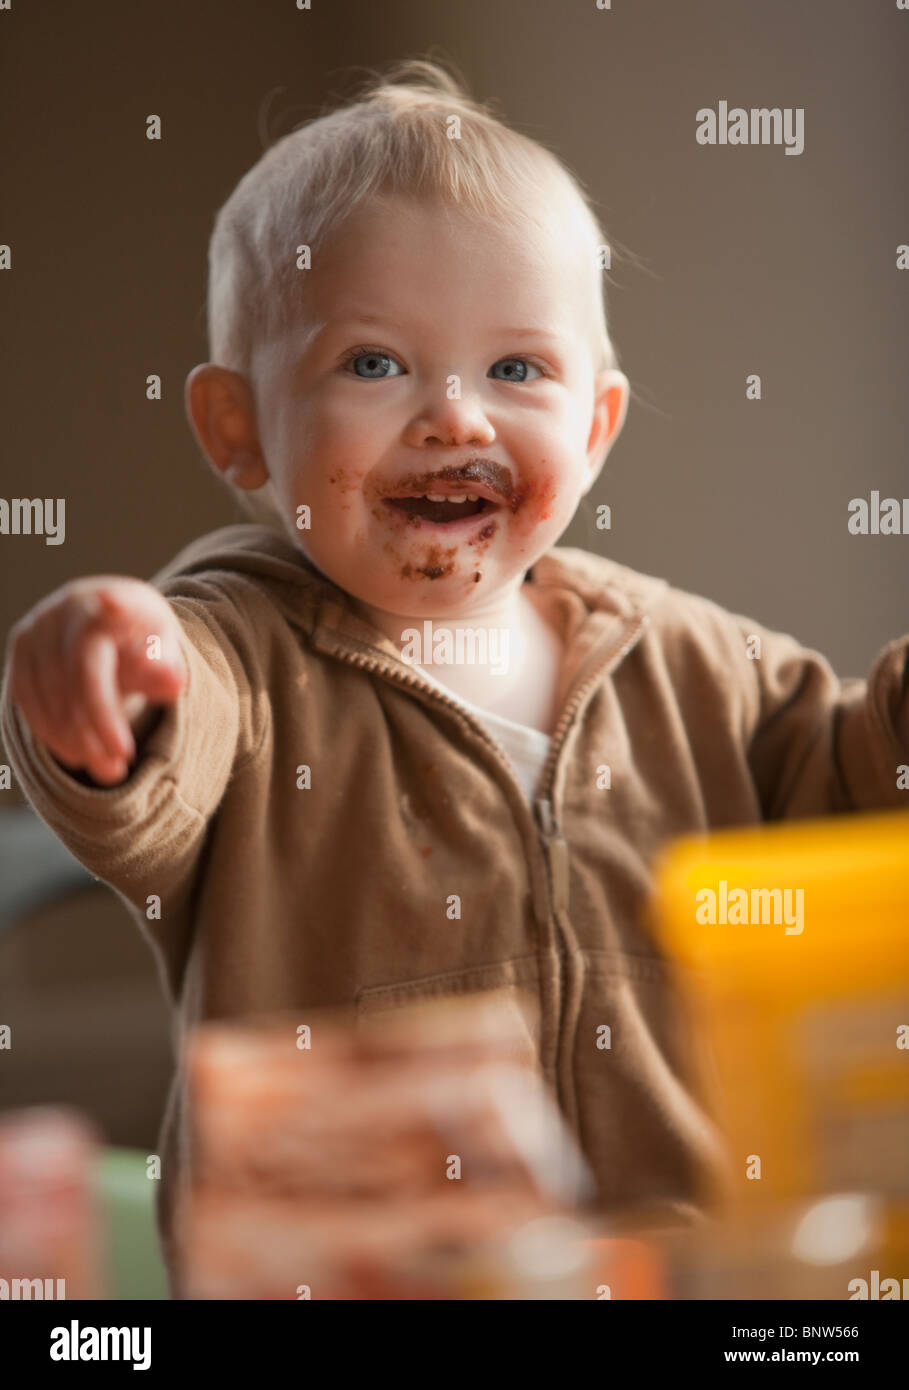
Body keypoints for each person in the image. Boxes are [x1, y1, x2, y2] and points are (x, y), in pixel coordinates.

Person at [3, 59, 907, 1296]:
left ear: (596, 425)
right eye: (374, 364)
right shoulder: (240, 657)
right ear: (239, 431)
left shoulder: (700, 664)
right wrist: (114, 675)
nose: (455, 418)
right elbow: (161, 764)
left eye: (518, 370)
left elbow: (856, 784)